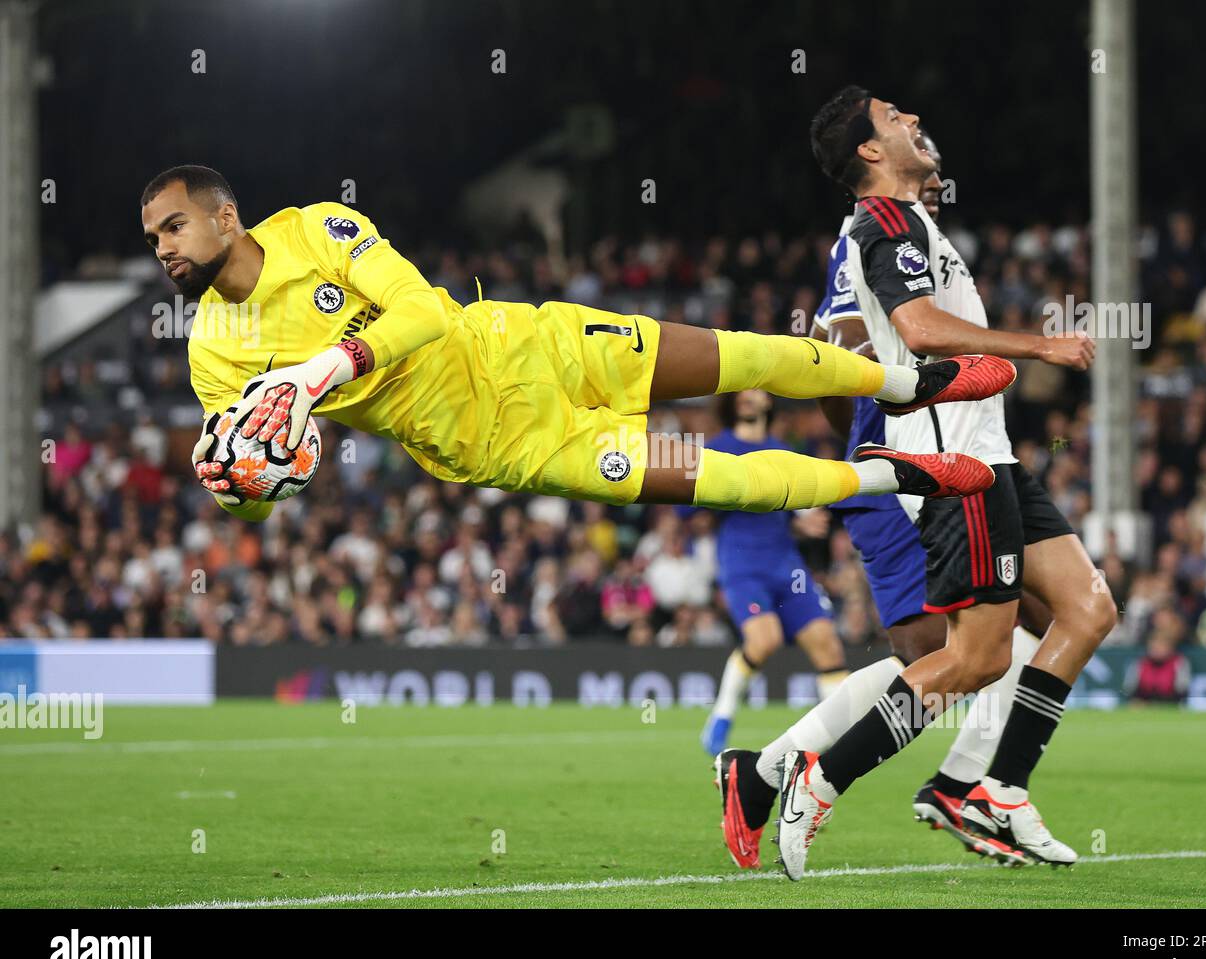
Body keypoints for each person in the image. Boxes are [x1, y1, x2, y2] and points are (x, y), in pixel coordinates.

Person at [140, 167, 1014, 525]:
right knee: (720, 478)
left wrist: (325, 365)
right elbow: (260, 485)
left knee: (742, 353)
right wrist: (236, 490)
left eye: (174, 225)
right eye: (152, 239)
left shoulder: (320, 229)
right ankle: (897, 473)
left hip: (536, 343)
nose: (164, 248)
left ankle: (909, 382)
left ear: (226, 216)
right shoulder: (216, 353)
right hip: (502, 442)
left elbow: (421, 313)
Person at [768, 87, 1114, 880]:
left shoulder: (913, 221)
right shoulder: (884, 221)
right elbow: (920, 329)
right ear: (867, 150)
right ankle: (818, 776)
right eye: (895, 118)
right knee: (977, 659)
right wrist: (1040, 347)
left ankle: (999, 787)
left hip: (991, 452)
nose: (915, 119)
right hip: (954, 463)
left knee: (1089, 607)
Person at [698, 390, 849, 759]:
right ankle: (721, 715)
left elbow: (790, 509)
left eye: (758, 390)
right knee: (764, 640)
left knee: (827, 644)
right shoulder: (716, 449)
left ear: (768, 401)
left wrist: (803, 521)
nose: (751, 397)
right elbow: (694, 510)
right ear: (732, 403)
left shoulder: (784, 451)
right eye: (744, 391)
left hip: (787, 564)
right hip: (743, 565)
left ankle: (842, 737)